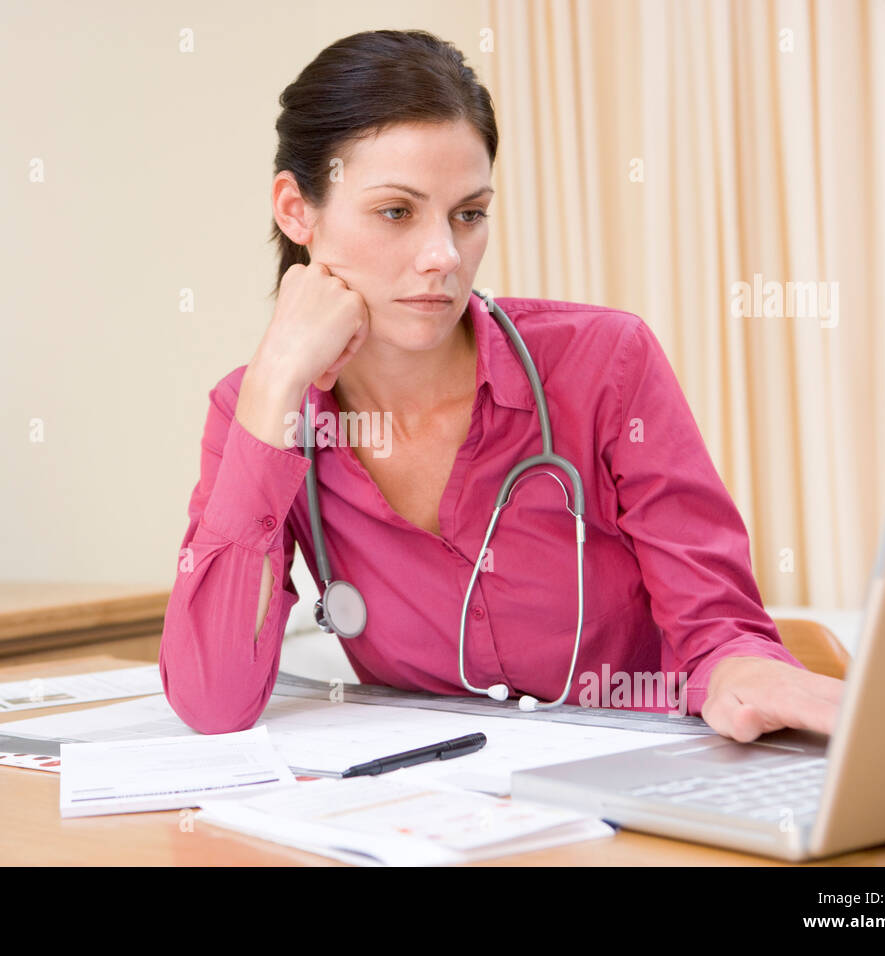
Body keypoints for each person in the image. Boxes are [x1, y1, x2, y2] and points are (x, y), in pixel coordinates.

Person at [159, 29, 843, 743]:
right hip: (430, 820)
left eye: (469, 213)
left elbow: (719, 629)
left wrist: (739, 671)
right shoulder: (256, 413)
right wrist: (273, 386)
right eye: (396, 211)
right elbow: (214, 701)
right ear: (297, 210)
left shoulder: (605, 361)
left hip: (634, 792)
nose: (443, 256)